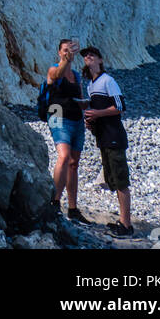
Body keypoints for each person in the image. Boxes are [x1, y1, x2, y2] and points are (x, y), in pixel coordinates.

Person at [81, 46, 132, 237]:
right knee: (113, 179)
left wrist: (98, 113)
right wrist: (91, 121)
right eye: (86, 56)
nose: (88, 57)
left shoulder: (108, 81)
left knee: (121, 181)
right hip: (103, 137)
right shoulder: (91, 85)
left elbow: (120, 106)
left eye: (92, 55)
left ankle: (126, 226)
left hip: (114, 136)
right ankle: (122, 221)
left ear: (100, 60)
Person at [45, 38, 88, 222]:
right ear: (59, 53)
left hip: (75, 119)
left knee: (73, 163)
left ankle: (72, 207)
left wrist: (87, 111)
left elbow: (79, 96)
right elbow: (56, 77)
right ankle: (54, 201)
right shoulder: (54, 69)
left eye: (69, 50)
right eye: (63, 50)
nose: (66, 52)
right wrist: (66, 60)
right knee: (63, 156)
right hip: (57, 116)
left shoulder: (76, 75)